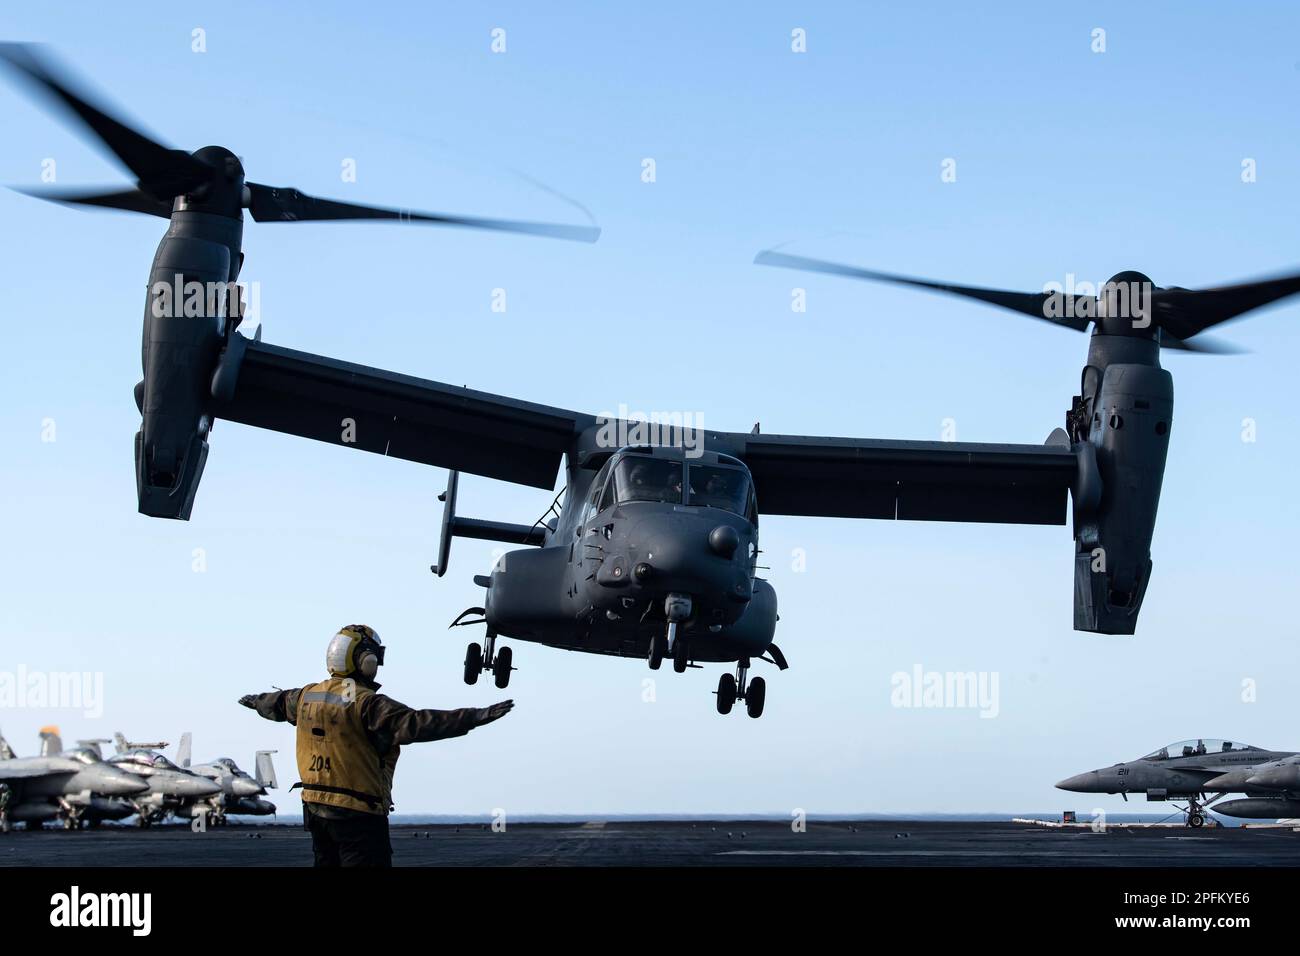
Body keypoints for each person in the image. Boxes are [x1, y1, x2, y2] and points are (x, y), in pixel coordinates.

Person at [238, 624, 513, 867]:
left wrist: (254, 700)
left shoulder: (307, 696)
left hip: (315, 810)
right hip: (357, 815)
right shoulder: (366, 702)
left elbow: (273, 702)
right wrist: (474, 717)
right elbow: (418, 723)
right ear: (365, 660)